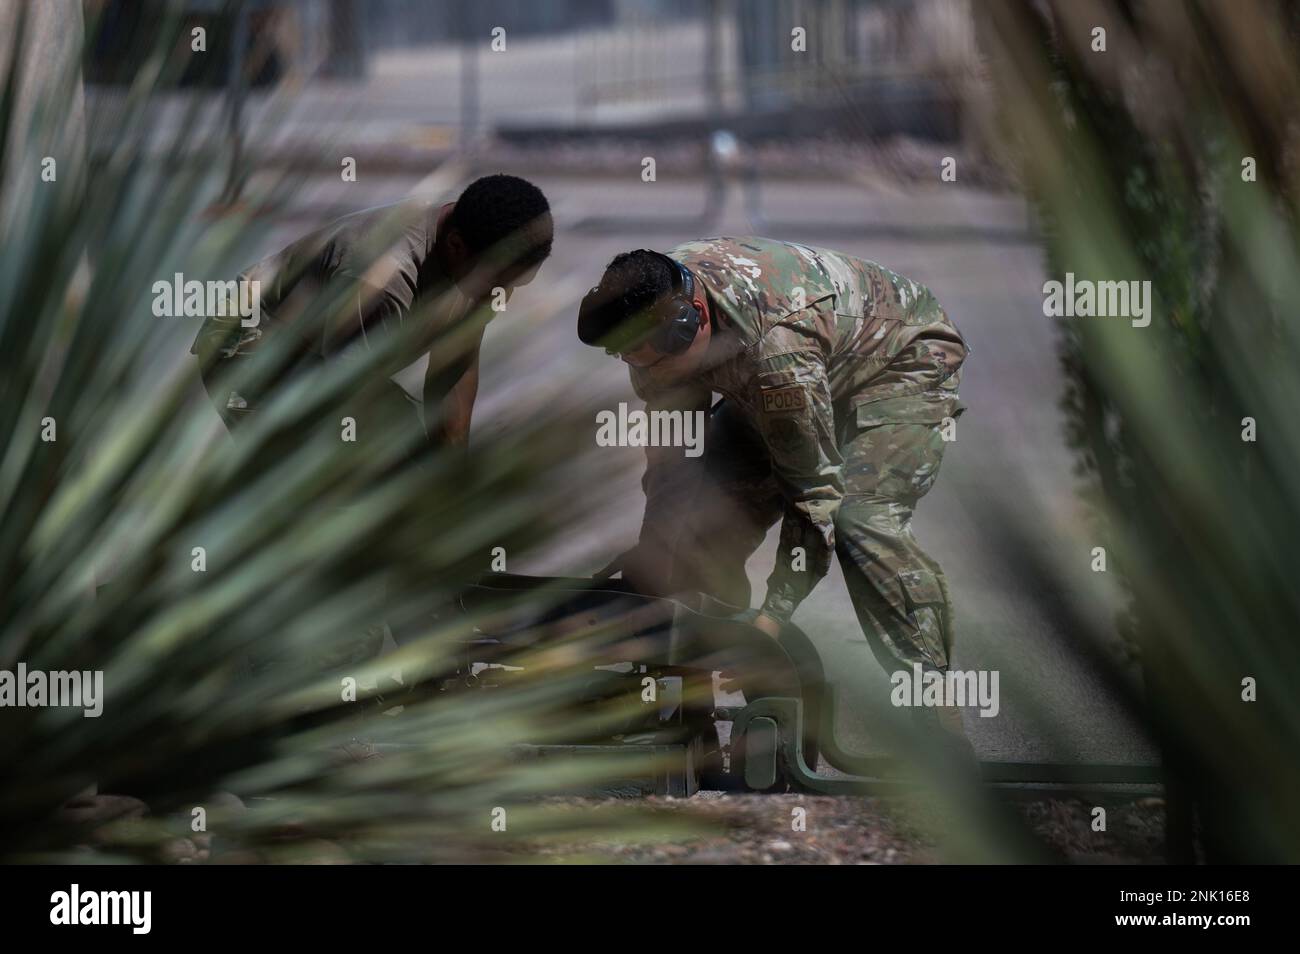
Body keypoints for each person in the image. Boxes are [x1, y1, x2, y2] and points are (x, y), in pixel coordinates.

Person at [577, 237, 970, 741]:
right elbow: (675, 462)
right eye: (631, 360)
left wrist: (773, 618)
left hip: (899, 362)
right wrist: (655, 549)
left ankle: (933, 711)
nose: (645, 375)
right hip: (796, 361)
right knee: (703, 526)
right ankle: (693, 718)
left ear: (691, 321)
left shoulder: (777, 357)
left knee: (862, 519)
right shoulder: (653, 322)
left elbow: (813, 495)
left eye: (653, 363)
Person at [193, 173, 553, 450]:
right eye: (497, 286)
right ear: (457, 246)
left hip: (325, 352)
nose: (500, 297)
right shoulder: (384, 276)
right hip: (246, 345)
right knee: (320, 483)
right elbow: (349, 400)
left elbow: (453, 371)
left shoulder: (480, 254)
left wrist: (453, 473)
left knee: (419, 459)